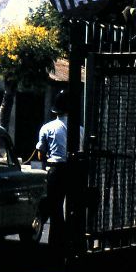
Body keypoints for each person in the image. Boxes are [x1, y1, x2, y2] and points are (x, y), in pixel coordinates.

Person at [35, 89, 82, 255]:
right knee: (74, 207)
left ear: (55, 110)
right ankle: (73, 243)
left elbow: (41, 154)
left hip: (56, 169)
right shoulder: (80, 129)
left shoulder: (47, 128)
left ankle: (56, 244)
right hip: (75, 170)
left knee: (55, 208)